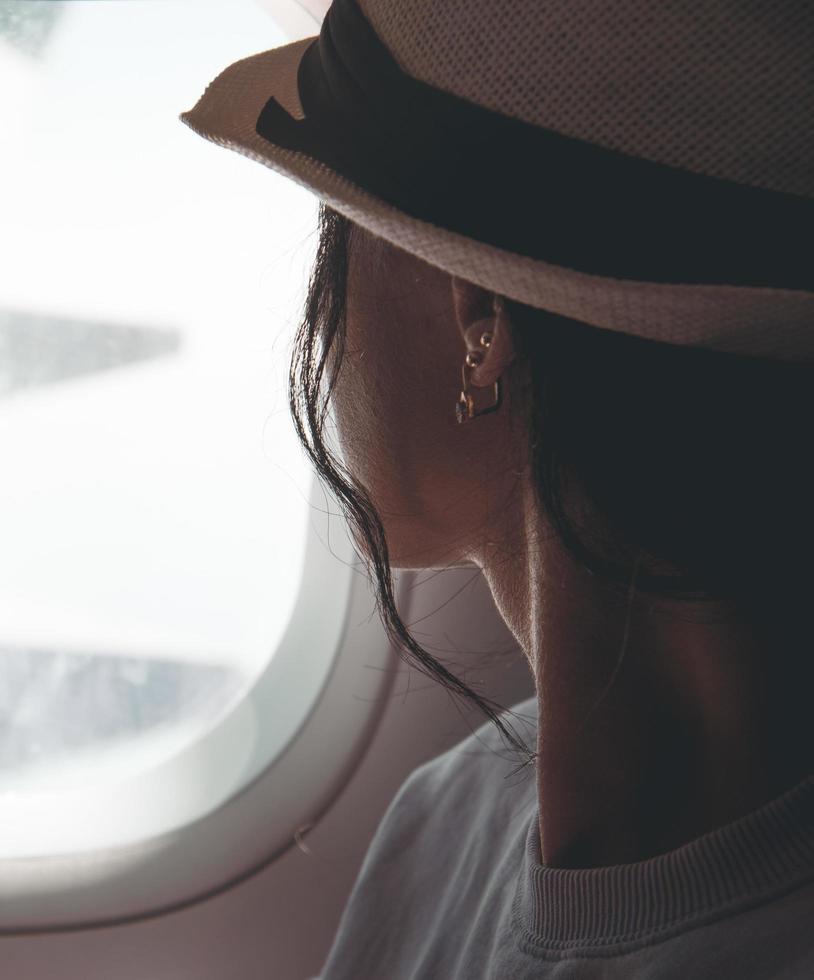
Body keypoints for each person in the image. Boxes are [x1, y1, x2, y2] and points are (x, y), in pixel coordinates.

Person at [181, 0, 814, 976]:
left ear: (480, 317)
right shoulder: (448, 814)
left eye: (341, 213)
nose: (317, 322)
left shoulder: (445, 835)